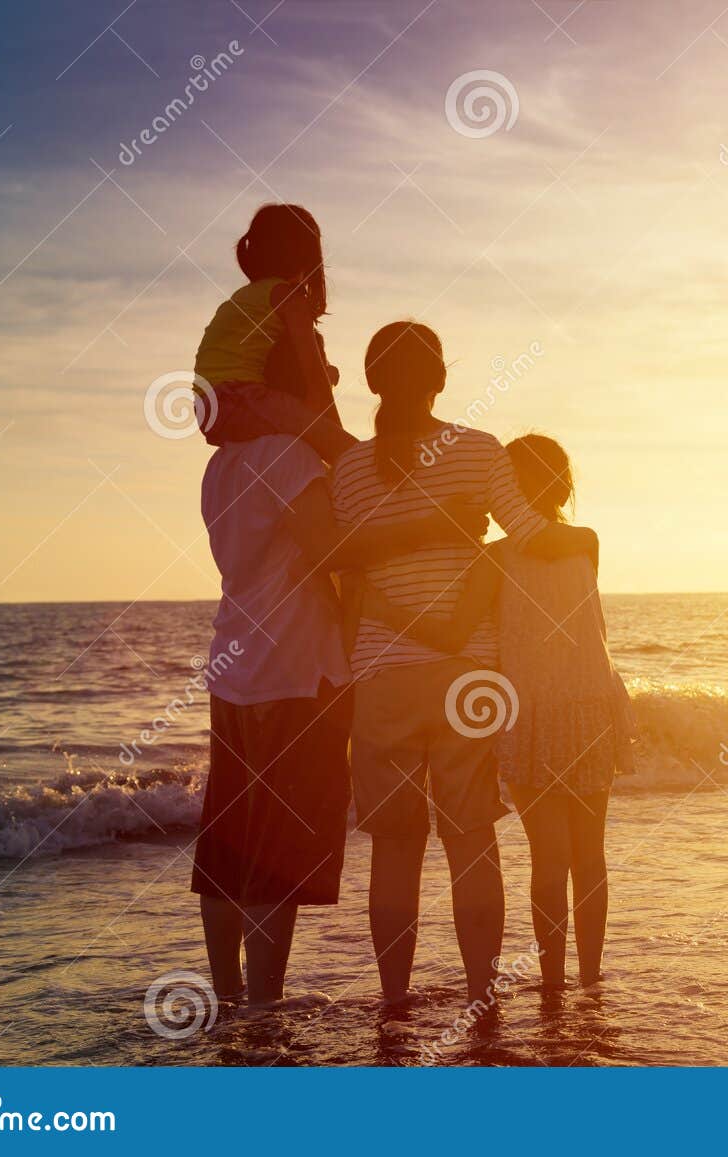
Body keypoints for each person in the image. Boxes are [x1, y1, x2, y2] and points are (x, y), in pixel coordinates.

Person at [193, 325, 484, 1009]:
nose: (332, 374)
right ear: (297, 385)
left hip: (233, 668)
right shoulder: (291, 457)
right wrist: (437, 527)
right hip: (295, 672)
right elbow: (333, 550)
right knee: (273, 852)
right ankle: (263, 1007)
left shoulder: (222, 464)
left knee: (228, 848)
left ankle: (229, 996)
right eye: (322, 368)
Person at [330, 321, 595, 1006]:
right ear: (441, 379)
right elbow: (533, 536)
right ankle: (480, 1001)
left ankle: (393, 1004)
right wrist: (586, 539)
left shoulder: (350, 469)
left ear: (372, 382)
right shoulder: (476, 452)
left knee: (394, 850)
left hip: (381, 675)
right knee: (471, 840)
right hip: (467, 678)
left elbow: (342, 568)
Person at [367, 434, 636, 989]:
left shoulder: (496, 557)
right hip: (594, 703)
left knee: (548, 859)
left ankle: (554, 986)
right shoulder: (586, 542)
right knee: (590, 856)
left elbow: (454, 632)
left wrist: (383, 609)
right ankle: (589, 980)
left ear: (507, 489)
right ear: (565, 485)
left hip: (533, 711)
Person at [191, 203, 353, 461]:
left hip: (208, 408)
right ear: (308, 257)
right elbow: (315, 379)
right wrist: (336, 436)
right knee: (347, 452)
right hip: (239, 398)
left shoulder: (245, 298)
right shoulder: (288, 298)